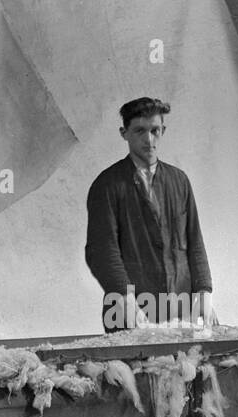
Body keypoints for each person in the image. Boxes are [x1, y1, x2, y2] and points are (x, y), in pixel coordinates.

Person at [85, 97, 216, 331]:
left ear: (163, 130)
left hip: (181, 307)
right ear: (124, 133)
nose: (148, 139)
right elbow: (102, 249)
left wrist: (204, 291)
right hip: (131, 309)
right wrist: (123, 295)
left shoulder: (179, 180)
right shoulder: (107, 184)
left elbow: (195, 241)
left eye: (155, 130)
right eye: (139, 131)